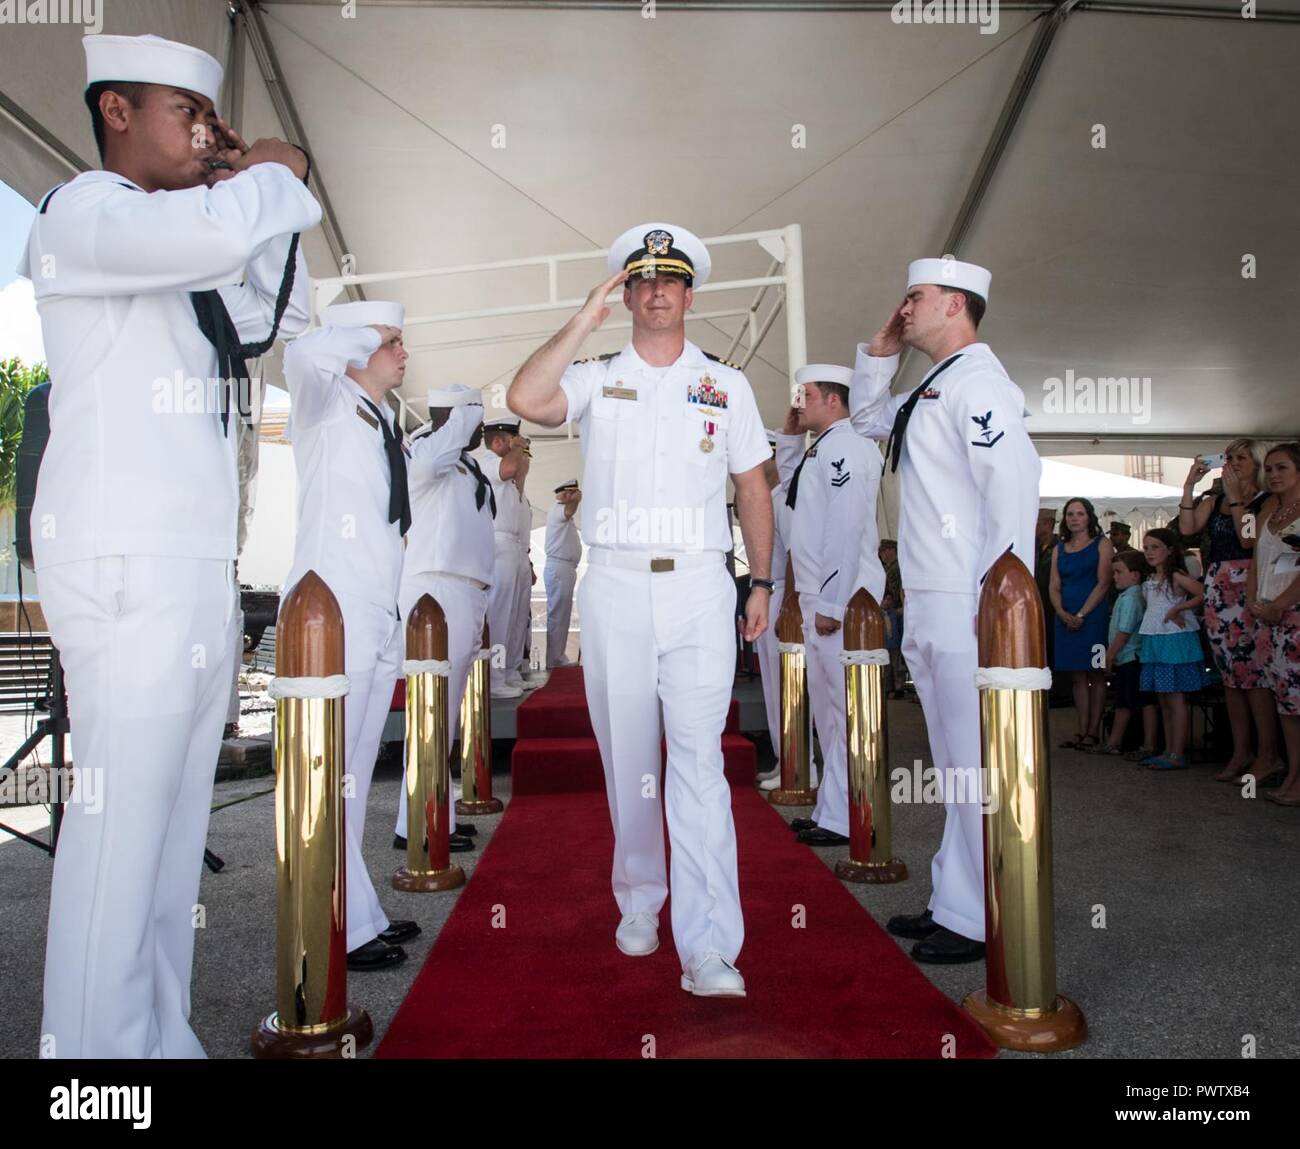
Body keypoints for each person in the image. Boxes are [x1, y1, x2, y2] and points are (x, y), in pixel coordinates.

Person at [24, 32, 320, 1057]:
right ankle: (94, 1066)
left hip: (186, 560)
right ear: (115, 113)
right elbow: (212, 239)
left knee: (161, 834)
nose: (203, 138)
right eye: (184, 116)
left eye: (209, 122)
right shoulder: (86, 212)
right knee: (118, 835)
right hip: (124, 555)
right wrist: (267, 172)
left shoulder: (179, 239)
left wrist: (252, 187)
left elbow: (271, 309)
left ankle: (155, 1044)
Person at [507, 222, 773, 996]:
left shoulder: (727, 385)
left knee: (698, 763)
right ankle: (639, 899)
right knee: (631, 762)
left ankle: (710, 946)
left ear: (691, 294)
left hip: (697, 585)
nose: (657, 292)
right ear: (624, 294)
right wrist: (583, 318)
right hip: (617, 585)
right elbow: (525, 396)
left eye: (670, 280)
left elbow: (751, 486)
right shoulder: (593, 375)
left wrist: (761, 582)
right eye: (641, 281)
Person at [849, 257, 1041, 965]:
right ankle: (957, 899)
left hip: (968, 600)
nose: (904, 309)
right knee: (956, 765)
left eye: (916, 299)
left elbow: (1011, 487)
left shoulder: (980, 382)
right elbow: (868, 422)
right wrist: (879, 358)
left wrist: (1002, 602)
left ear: (956, 303)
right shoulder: (934, 383)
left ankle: (979, 911)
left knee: (976, 765)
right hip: (930, 601)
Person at [282, 301, 424, 972]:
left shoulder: (383, 416)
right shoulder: (323, 399)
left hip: (374, 607)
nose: (401, 353)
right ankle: (337, 924)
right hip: (326, 612)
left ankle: (355, 910)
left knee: (355, 775)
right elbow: (303, 355)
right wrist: (361, 332)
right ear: (358, 343)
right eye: (390, 341)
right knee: (330, 772)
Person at [782, 365, 885, 848]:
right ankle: (832, 807)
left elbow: (845, 527)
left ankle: (848, 816)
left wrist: (830, 601)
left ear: (832, 400)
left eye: (805, 396)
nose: (798, 404)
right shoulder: (821, 447)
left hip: (842, 600)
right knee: (827, 711)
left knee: (846, 713)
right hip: (816, 592)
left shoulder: (846, 446)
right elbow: (787, 500)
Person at [392, 386, 494, 850]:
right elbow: (427, 465)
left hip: (466, 590)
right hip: (434, 589)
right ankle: (415, 824)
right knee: (430, 712)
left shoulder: (468, 464)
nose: (480, 427)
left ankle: (439, 813)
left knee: (445, 715)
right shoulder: (424, 448)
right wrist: (456, 421)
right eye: (474, 416)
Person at [1178, 442, 1277, 783]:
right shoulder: (1214, 501)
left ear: (1257, 464)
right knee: (1231, 678)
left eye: (1240, 458)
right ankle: (1240, 751)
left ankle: (1268, 755)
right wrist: (1191, 485)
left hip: (1249, 586)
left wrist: (1236, 497)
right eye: (1229, 458)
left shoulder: (1267, 500)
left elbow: (1247, 539)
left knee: (1255, 678)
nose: (1233, 464)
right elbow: (1187, 529)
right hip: (1218, 588)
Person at [1246, 442, 1300, 805]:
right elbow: (1255, 562)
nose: (1274, 475)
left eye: (1282, 468)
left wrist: (1280, 604)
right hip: (1268, 617)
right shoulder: (1268, 511)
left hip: (1293, 615)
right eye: (1269, 469)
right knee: (1284, 704)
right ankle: (1292, 771)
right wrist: (1255, 604)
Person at [1137, 528, 1206, 771]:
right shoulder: (1150, 580)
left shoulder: (1175, 576)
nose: (1149, 552)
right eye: (1146, 548)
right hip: (1156, 640)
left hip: (1174, 640)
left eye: (1155, 547)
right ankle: (1168, 749)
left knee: (1175, 699)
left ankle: (1177, 751)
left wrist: (1178, 609)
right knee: (1163, 698)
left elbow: (1201, 592)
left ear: (1169, 550)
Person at [1050, 497, 1113, 750]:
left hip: (1093, 617)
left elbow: (1104, 582)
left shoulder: (1102, 544)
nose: (1074, 518)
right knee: (1077, 675)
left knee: (1096, 674)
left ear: (1089, 517)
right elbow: (1054, 584)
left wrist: (1082, 614)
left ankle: (1093, 731)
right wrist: (1061, 612)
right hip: (1065, 616)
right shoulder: (1059, 548)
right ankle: (1080, 728)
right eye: (1070, 514)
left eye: (1079, 513)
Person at [1089, 550, 1157, 758]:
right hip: (1127, 656)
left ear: (1135, 575)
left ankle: (1134, 743)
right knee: (1125, 701)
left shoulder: (1131, 598)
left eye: (1119, 572)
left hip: (1131, 657)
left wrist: (1109, 655)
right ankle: (1117, 741)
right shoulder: (1128, 596)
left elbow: (1125, 631)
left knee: (1134, 701)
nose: (1115, 576)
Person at [480, 419, 528, 698]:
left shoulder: (507, 478)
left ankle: (509, 671)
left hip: (515, 548)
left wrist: (520, 455)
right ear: (499, 442)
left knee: (515, 617)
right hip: (498, 546)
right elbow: (509, 467)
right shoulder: (488, 462)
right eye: (513, 441)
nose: (519, 448)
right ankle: (495, 678)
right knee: (499, 615)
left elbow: (517, 476)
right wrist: (516, 451)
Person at [544, 481, 582, 667]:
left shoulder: (562, 512)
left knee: (562, 614)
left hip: (565, 568)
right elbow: (570, 510)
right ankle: (554, 658)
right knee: (558, 614)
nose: (572, 497)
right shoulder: (559, 509)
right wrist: (576, 501)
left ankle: (557, 655)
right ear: (564, 494)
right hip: (559, 567)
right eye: (571, 493)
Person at [880, 538, 907, 698]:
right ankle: (893, 686)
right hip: (892, 612)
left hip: (897, 613)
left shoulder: (897, 568)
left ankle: (898, 686)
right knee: (892, 650)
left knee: (896, 651)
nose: (882, 554)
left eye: (884, 550)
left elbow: (898, 591)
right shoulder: (889, 568)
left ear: (892, 550)